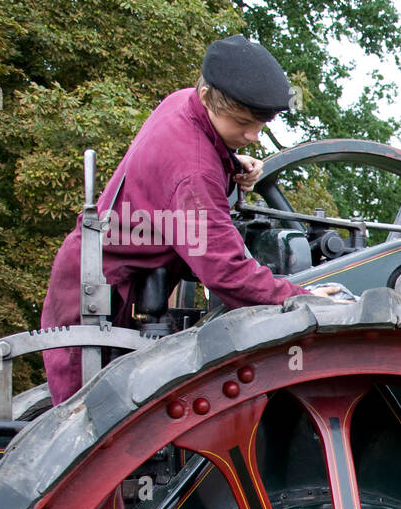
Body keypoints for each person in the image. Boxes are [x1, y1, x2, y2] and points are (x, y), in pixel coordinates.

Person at [40, 35, 336, 405]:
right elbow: (226, 274)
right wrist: (301, 298)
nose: (252, 136)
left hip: (106, 277)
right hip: (95, 298)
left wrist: (230, 165)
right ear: (211, 97)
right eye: (244, 123)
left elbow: (188, 160)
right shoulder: (193, 170)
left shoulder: (183, 101)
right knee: (85, 427)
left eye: (260, 124)